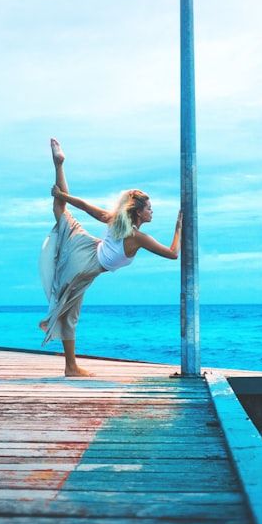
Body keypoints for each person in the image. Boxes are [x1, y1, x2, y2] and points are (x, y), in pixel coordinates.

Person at [39, 138, 182, 376]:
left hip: (88, 249)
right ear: (138, 212)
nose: (152, 211)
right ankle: (71, 367)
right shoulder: (138, 237)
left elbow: (84, 206)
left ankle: (59, 165)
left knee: (60, 211)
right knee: (69, 314)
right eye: (149, 208)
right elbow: (173, 254)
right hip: (87, 265)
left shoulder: (116, 221)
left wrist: (61, 195)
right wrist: (179, 228)